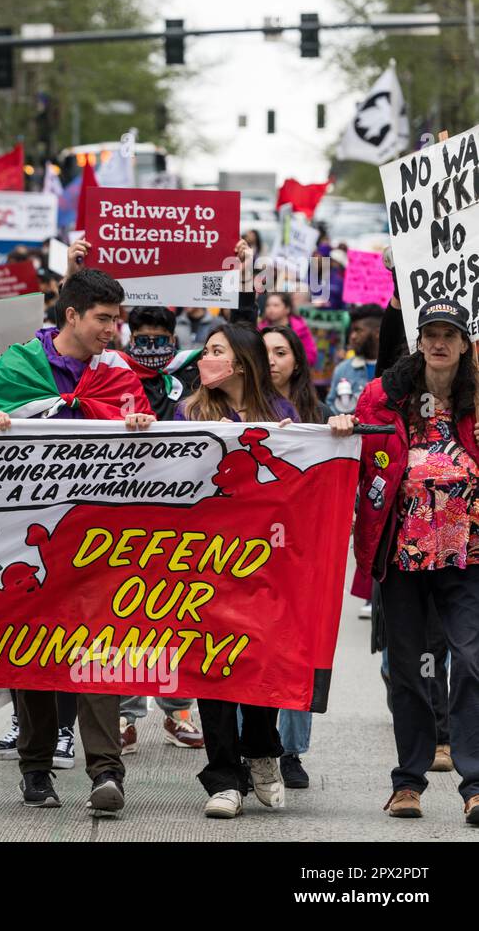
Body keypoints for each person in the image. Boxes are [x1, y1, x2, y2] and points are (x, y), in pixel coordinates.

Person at [0, 242, 152, 817]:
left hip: (99, 539)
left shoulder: (118, 373)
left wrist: (140, 425)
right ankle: (36, 768)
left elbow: (150, 442)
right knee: (34, 652)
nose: (113, 331)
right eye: (103, 319)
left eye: (117, 319)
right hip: (27, 540)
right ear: (71, 315)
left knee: (103, 647)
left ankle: (104, 772)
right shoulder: (17, 367)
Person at [350, 299, 479, 825]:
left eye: (450, 333)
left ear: (466, 343)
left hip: (467, 556)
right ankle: (408, 783)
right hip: (401, 557)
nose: (440, 343)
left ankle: (475, 786)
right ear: (418, 340)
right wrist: (343, 430)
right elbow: (358, 449)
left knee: (471, 662)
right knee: (408, 670)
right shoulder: (386, 395)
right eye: (431, 333)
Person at [162, 323, 299, 819]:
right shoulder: (188, 412)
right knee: (211, 666)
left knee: (259, 662)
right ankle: (223, 778)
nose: (205, 358)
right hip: (204, 561)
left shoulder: (283, 414)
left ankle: (263, 751)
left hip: (263, 563)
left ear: (240, 362)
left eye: (216, 351)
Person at [113, 305, 206, 751]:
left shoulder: (191, 375)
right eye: (142, 339)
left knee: (175, 612)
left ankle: (180, 710)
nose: (151, 348)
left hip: (179, 516)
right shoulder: (110, 375)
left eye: (160, 340)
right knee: (125, 613)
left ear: (174, 340)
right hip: (122, 515)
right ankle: (124, 716)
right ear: (129, 339)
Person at [261, 323, 333, 789]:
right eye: (263, 352)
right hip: (249, 552)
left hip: (301, 551)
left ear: (297, 361)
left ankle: (290, 751)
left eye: (281, 352)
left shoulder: (319, 414)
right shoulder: (237, 412)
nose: (272, 360)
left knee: (298, 652)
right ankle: (255, 746)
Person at [327, 304, 382, 414]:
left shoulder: (395, 368)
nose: (352, 336)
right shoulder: (342, 370)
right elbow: (330, 410)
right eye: (352, 331)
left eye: (358, 330)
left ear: (377, 333)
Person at [258, 291, 318, 367]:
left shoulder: (300, 328)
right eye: (268, 305)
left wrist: (294, 364)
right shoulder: (260, 328)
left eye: (276, 305)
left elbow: (311, 355)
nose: (271, 309)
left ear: (287, 309)